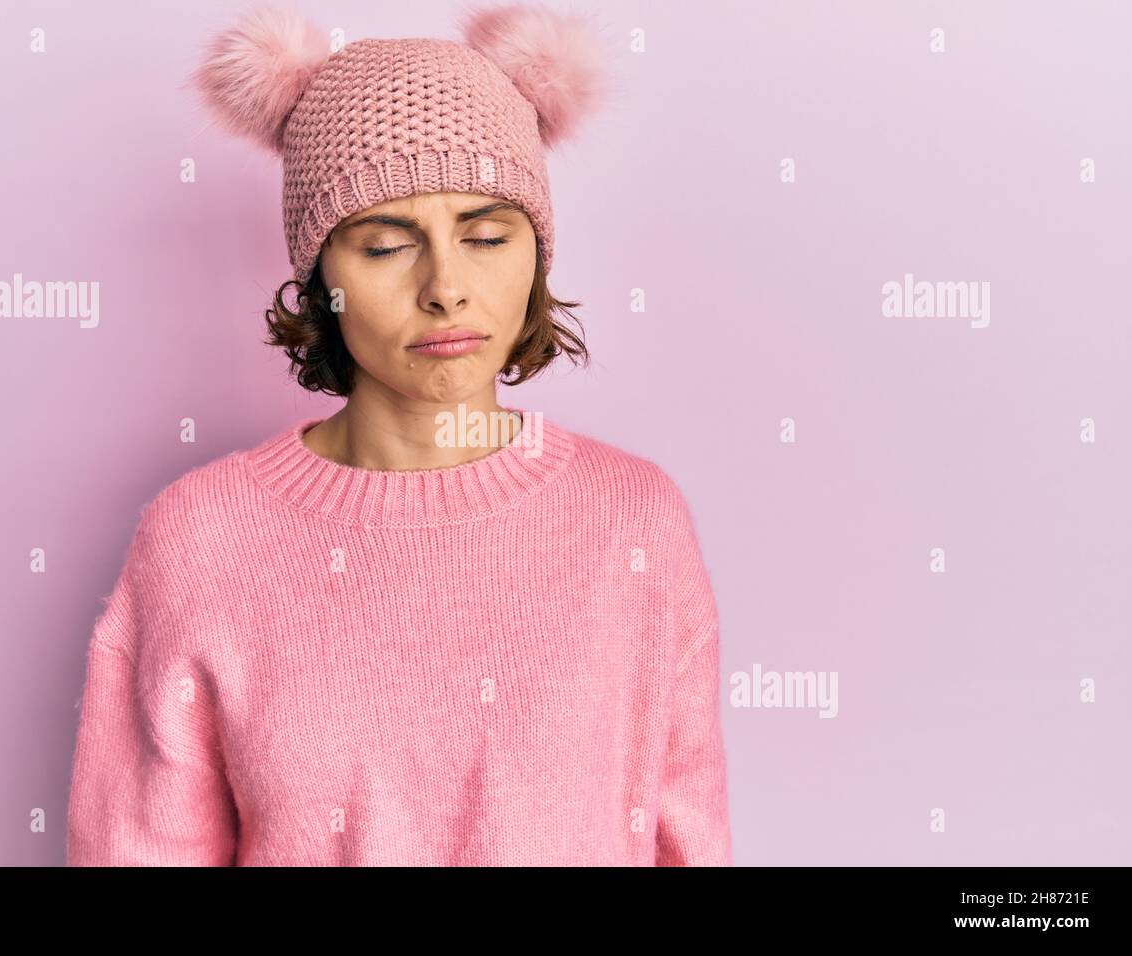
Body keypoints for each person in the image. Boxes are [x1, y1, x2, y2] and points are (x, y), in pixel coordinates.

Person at [65, 2, 731, 866]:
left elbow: (688, 843)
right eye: (386, 247)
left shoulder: (635, 523)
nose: (446, 287)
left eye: (488, 235)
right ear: (318, 276)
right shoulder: (201, 539)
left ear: (537, 253)